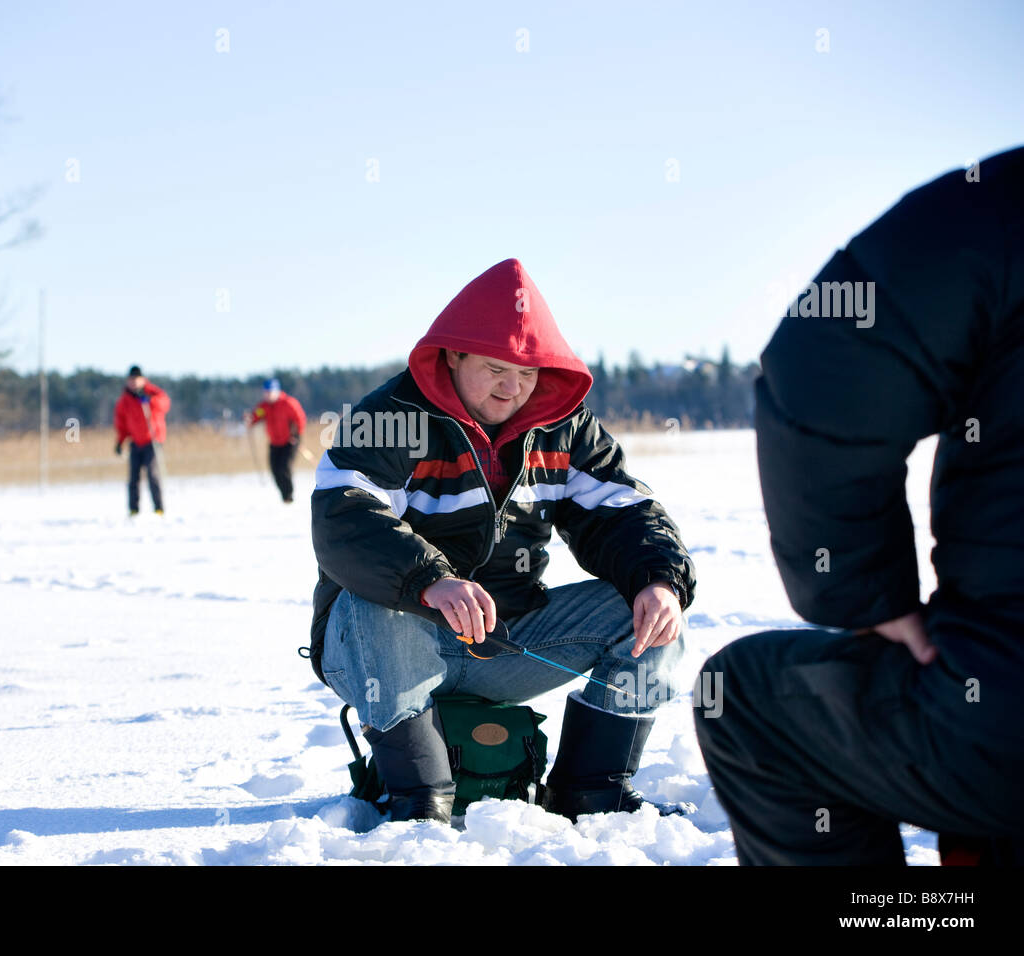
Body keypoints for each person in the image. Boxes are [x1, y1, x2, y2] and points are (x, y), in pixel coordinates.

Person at [693, 147, 1024, 865]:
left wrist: (863, 590)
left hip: (1010, 704)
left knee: (748, 705)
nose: (510, 389)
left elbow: (827, 369)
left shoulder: (1002, 204)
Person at [309, 258, 697, 823]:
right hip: (382, 648)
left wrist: (659, 578)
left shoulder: (562, 428)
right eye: (495, 368)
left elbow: (622, 511)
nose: (512, 387)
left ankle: (592, 793)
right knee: (375, 603)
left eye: (528, 373)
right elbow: (346, 520)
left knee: (648, 613)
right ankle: (421, 805)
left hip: (503, 644)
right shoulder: (390, 418)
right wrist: (430, 581)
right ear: (455, 354)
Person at [113, 365, 170, 516]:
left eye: (136, 380)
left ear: (142, 380)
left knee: (153, 475)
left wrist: (149, 400)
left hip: (152, 440)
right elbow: (121, 424)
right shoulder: (124, 401)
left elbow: (164, 404)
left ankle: (159, 508)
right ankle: (133, 509)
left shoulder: (153, 393)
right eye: (131, 380)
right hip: (136, 442)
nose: (133, 383)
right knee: (133, 478)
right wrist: (120, 441)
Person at [245, 379, 307, 503]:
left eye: (269, 392)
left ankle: (288, 495)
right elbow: (256, 416)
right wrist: (250, 419)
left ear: (276, 391)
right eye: (265, 392)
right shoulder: (264, 406)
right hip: (275, 442)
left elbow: (300, 419)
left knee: (284, 467)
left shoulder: (288, 403)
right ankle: (284, 495)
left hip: (290, 440)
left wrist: (296, 434)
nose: (267, 395)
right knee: (274, 469)